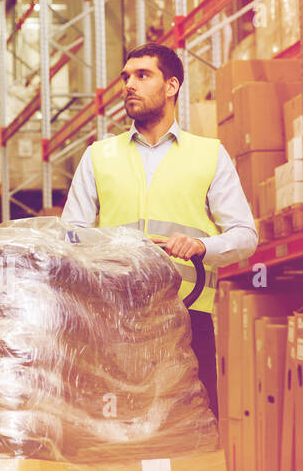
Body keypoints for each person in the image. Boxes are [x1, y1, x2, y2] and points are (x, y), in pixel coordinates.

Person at [61, 42, 258, 418]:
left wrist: (201, 246)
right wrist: (110, 244)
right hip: (113, 322)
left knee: (191, 433)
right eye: (125, 77)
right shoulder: (98, 156)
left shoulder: (209, 154)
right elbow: (70, 236)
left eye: (142, 75)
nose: (128, 86)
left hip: (187, 322)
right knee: (117, 435)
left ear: (171, 86)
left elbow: (245, 235)